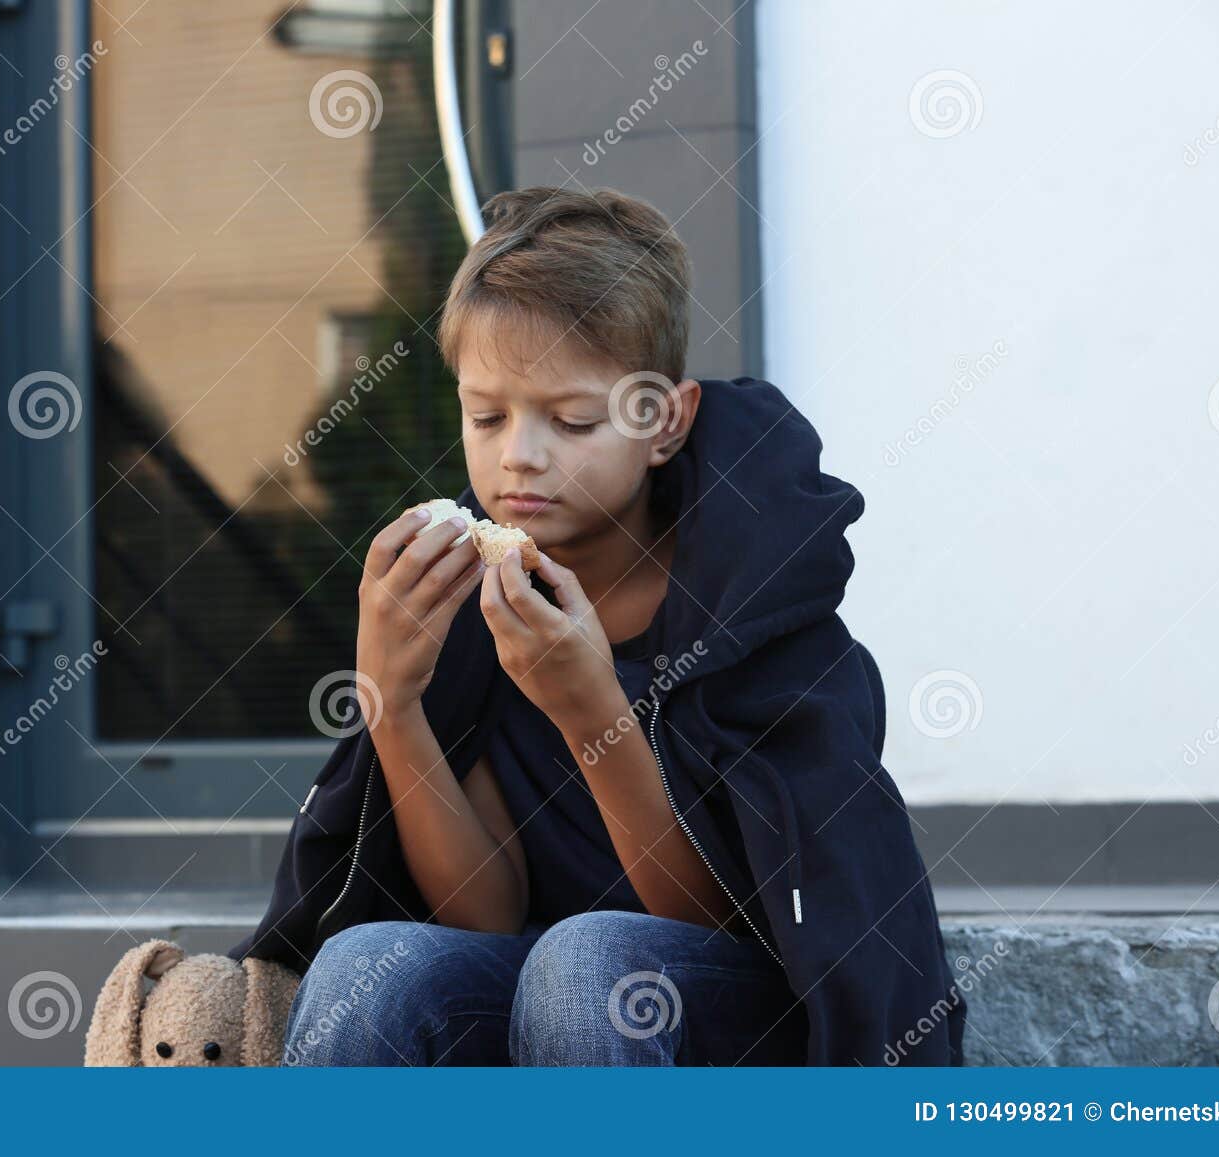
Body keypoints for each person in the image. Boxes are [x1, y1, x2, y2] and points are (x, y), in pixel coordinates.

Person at [231, 186, 966, 1066]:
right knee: (370, 964)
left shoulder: (755, 597)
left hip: (740, 1007)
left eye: (571, 419)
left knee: (589, 966)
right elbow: (486, 911)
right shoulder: (481, 594)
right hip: (538, 984)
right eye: (486, 415)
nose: (519, 456)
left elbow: (725, 918)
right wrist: (395, 700)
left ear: (664, 420)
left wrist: (591, 712)